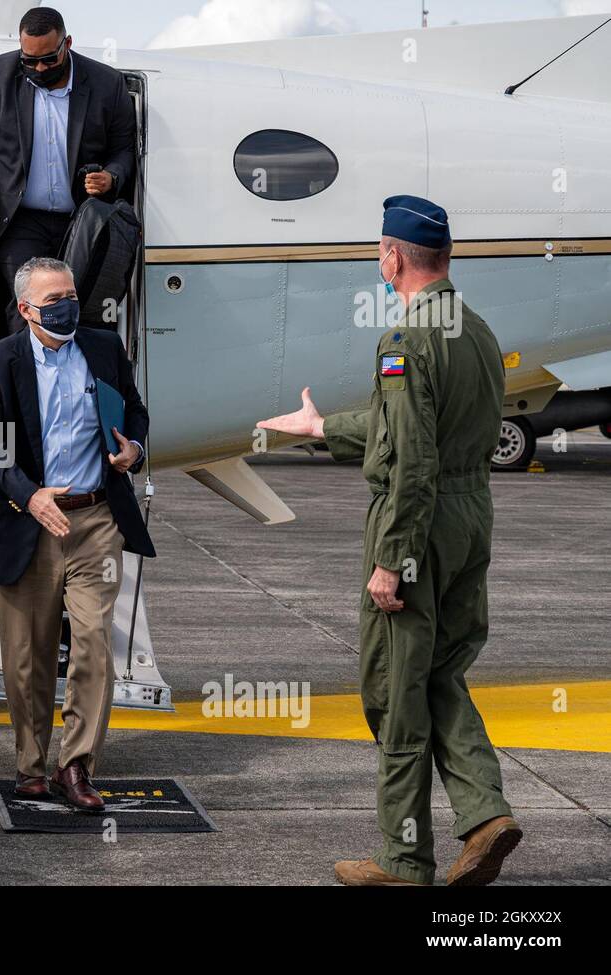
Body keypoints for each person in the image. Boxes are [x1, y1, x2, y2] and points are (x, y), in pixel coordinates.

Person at [257, 195, 522, 886]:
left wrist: (390, 560)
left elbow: (409, 457)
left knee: (394, 686)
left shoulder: (405, 340)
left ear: (394, 257)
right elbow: (403, 426)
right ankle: (486, 814)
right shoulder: (479, 330)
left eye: (380, 250)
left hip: (419, 523)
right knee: (439, 672)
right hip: (470, 518)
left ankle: (405, 858)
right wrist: (320, 428)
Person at [0, 256, 154, 811]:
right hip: (30, 519)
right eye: (54, 301)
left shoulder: (102, 349)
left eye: (72, 295)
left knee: (94, 642)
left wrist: (133, 449)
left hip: (96, 517)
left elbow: (135, 411)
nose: (68, 306)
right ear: (26, 309)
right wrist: (28, 493)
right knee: (27, 655)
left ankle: (76, 767)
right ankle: (30, 765)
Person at [0, 6, 136, 337]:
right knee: (31, 303)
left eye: (48, 60)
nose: (38, 68)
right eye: (29, 61)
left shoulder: (108, 84)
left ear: (67, 43)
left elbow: (123, 149)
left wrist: (112, 176)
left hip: (81, 219)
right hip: (19, 220)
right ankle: (27, 383)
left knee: (73, 306)